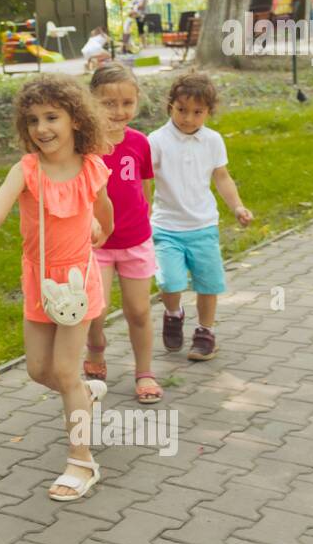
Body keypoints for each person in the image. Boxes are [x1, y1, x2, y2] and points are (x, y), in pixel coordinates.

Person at [0, 77, 113, 501]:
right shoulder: (27, 170)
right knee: (39, 369)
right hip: (40, 280)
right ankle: (83, 397)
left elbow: (103, 207)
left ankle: (81, 461)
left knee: (67, 371)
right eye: (32, 120)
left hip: (78, 282)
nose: (42, 128)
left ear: (75, 119)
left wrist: (101, 229)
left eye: (52, 117)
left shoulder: (91, 166)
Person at [150, 73, 254, 361]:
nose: (188, 118)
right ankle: (173, 313)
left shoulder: (213, 140)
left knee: (208, 283)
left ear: (209, 112)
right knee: (169, 282)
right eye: (181, 110)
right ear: (170, 106)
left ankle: (205, 332)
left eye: (198, 112)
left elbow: (221, 178)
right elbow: (145, 182)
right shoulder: (156, 141)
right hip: (166, 226)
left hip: (203, 226)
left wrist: (237, 207)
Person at [85, 64, 160, 402]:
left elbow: (144, 188)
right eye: (108, 104)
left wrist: (144, 222)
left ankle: (144, 372)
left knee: (139, 311)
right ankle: (96, 346)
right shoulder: (84, 147)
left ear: (137, 102)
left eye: (127, 103)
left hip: (135, 242)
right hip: (98, 244)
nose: (119, 112)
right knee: (95, 310)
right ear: (91, 102)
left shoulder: (140, 143)